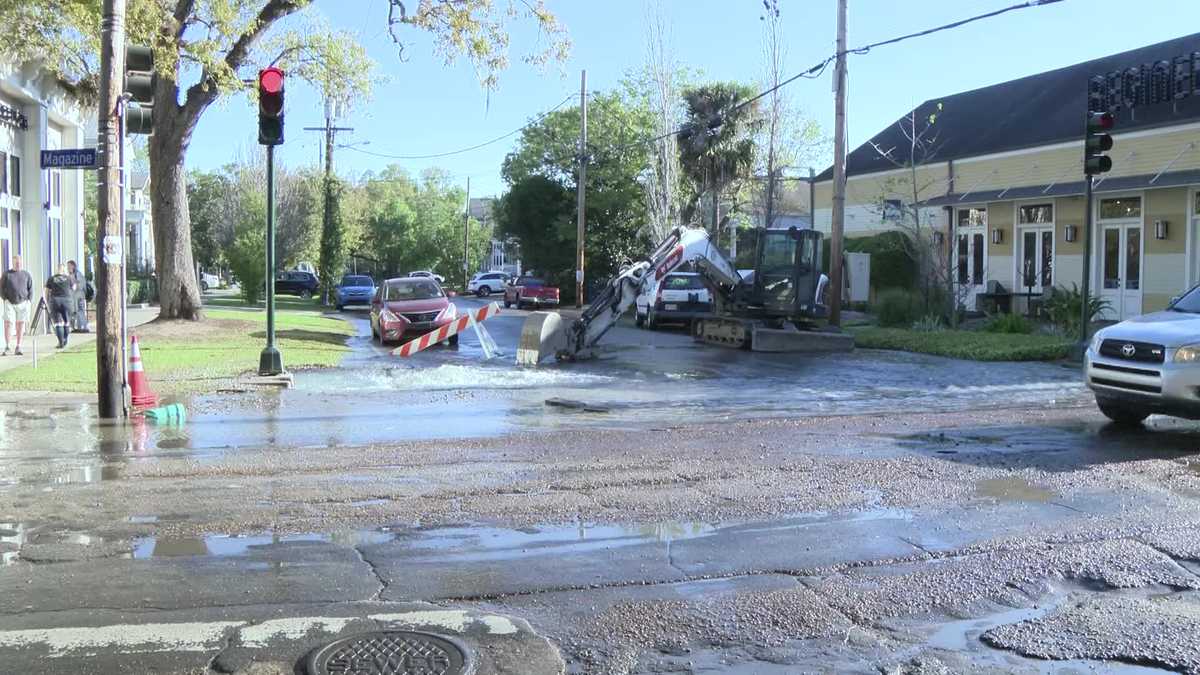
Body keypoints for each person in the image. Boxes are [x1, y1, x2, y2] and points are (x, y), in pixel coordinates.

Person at [1, 255, 33, 356]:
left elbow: (30, 288)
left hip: (23, 303)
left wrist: (29, 300)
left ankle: (18, 346)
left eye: (19, 263)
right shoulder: (7, 274)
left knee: (20, 324)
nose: (18, 264)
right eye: (16, 263)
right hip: (9, 302)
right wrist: (5, 299)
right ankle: (7, 345)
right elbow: (1, 288)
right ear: (13, 263)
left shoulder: (26, 274)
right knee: (8, 323)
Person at [45, 264, 74, 349]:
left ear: (57, 269)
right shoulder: (69, 278)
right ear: (64, 270)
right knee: (66, 321)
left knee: (58, 322)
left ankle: (60, 342)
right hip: (66, 301)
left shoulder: (51, 278)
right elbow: (74, 288)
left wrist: (47, 301)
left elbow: (47, 291)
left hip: (55, 301)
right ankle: (65, 339)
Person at [67, 260, 89, 333]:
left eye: (69, 266)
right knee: (74, 311)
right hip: (74, 296)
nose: (68, 267)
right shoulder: (73, 274)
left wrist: (74, 284)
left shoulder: (77, 274)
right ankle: (77, 327)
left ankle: (83, 327)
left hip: (79, 296)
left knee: (80, 311)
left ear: (73, 266)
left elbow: (78, 285)